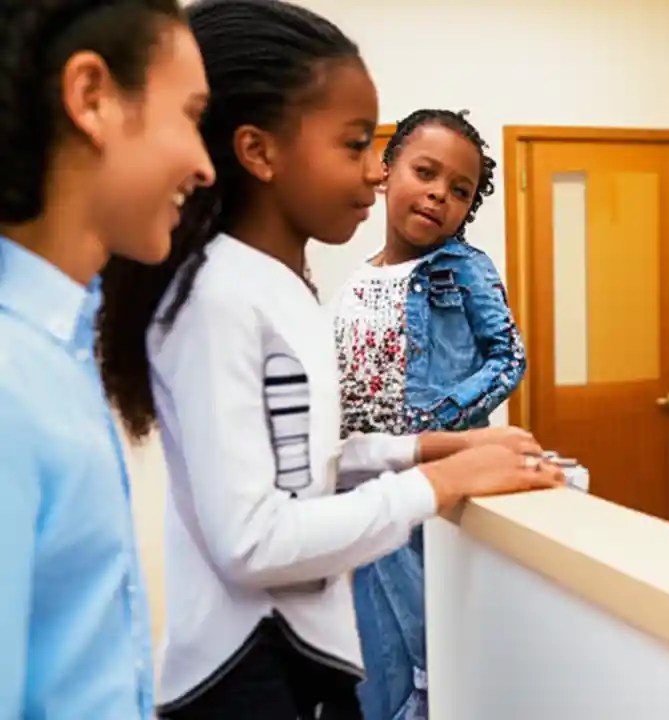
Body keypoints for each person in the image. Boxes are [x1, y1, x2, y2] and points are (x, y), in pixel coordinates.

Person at [94, 1, 561, 718]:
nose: (377, 175)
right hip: (246, 675)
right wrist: (437, 483)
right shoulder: (219, 298)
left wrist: (447, 443)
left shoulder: (283, 288)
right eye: (355, 147)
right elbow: (252, 540)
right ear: (259, 152)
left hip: (303, 657)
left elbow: (314, 456)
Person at [0, 1, 213, 716]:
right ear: (93, 97)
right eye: (189, 114)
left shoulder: (58, 351)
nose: (204, 163)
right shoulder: (10, 379)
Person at [329, 108, 523, 719]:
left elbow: (508, 356)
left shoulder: (463, 268)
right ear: (387, 171)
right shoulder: (357, 277)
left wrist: (441, 418)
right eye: (426, 172)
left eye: (460, 190)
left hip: (432, 476)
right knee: (370, 644)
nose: (440, 194)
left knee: (427, 647)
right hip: (360, 480)